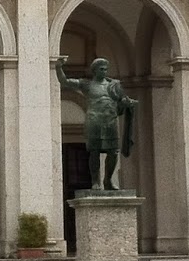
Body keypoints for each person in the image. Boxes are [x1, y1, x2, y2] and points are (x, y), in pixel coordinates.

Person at [55, 57, 137, 190]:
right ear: (94, 70)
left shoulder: (114, 85)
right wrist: (58, 67)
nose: (104, 71)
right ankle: (95, 181)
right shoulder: (87, 84)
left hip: (110, 121)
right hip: (94, 121)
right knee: (94, 152)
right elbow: (64, 82)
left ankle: (108, 180)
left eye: (106, 69)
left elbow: (123, 100)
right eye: (101, 69)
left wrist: (128, 104)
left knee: (113, 152)